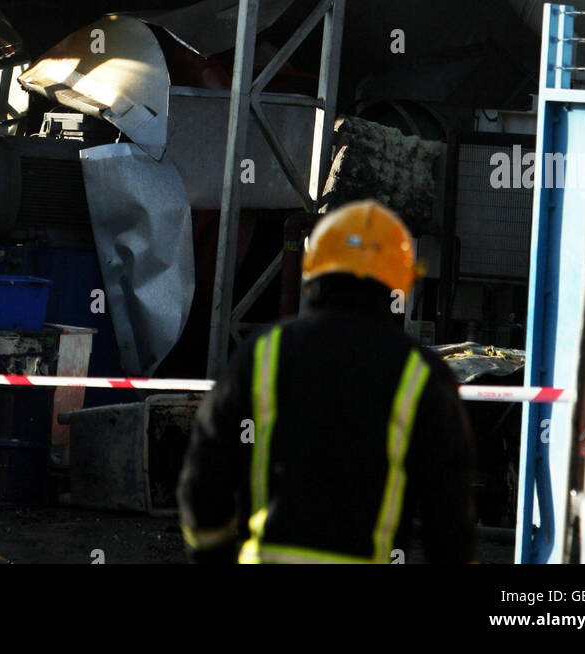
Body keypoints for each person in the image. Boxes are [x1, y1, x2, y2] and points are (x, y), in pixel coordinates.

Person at [178, 198, 477, 564]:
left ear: (315, 271)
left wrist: (211, 554)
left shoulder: (263, 354)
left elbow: (205, 474)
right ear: (399, 281)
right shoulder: (421, 374)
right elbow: (448, 516)